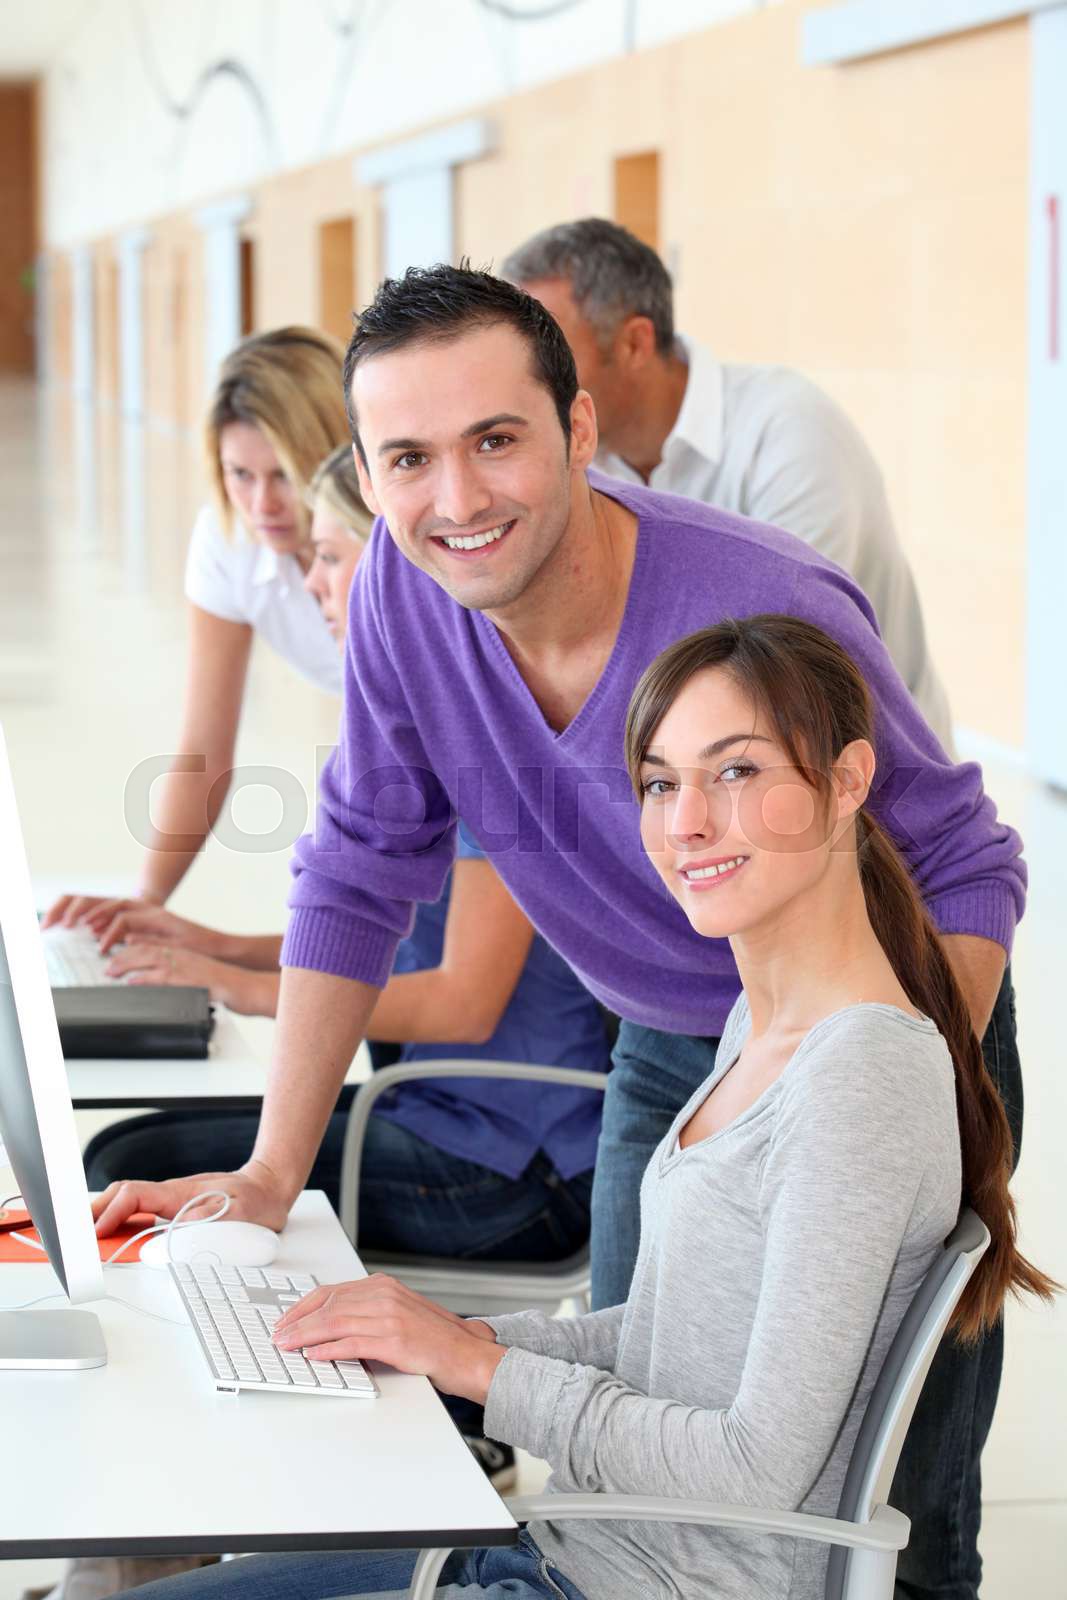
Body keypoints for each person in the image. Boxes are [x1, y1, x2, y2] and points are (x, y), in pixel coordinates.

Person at [91, 265, 1025, 1600]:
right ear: (364, 472)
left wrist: (868, 1083)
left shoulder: (757, 605)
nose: (456, 499)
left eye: (495, 440)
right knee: (647, 1446)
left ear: (579, 428)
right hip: (684, 1030)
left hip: (868, 1019)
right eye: (408, 459)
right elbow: (357, 866)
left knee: (884, 1514)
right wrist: (270, 1172)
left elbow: (964, 862)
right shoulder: (406, 593)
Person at [83, 441, 611, 1482]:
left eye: (330, 558)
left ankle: (288, 1438)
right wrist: (211, 942)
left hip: (513, 1170)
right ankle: (239, 1426)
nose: (314, 586)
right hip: (442, 1115)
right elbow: (364, 938)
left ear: (392, 567)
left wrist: (238, 988)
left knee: (135, 1168)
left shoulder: (492, 748)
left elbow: (459, 1000)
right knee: (133, 1153)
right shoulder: (416, 731)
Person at [502, 217, 955, 751]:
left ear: (634, 343)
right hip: (699, 770)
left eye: (549, 350)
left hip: (864, 768)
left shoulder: (788, 430)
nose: (527, 377)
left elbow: (774, 654)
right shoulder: (575, 457)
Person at [42, 327, 351, 935]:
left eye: (284, 475)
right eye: (240, 474)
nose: (262, 504)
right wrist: (148, 899)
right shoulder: (229, 538)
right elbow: (204, 752)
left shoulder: (386, 541)